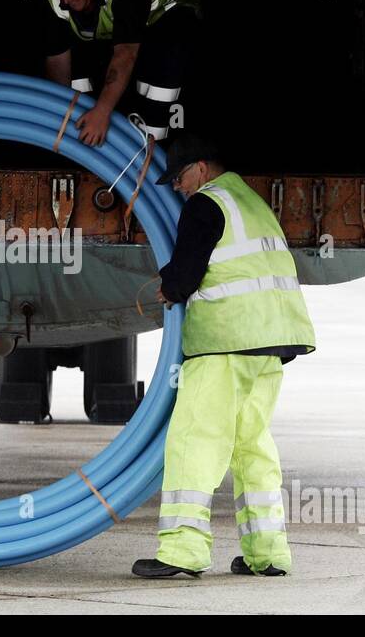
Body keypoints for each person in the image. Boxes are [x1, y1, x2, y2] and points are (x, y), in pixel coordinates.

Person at [131, 134, 316, 578]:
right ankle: (267, 552)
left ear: (200, 168)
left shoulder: (206, 203)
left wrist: (169, 287)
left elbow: (187, 272)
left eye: (178, 178)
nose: (177, 188)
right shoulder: (250, 202)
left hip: (226, 340)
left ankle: (183, 552)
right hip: (272, 341)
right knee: (251, 444)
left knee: (196, 437)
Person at [41, 0, 200, 145]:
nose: (64, 0)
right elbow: (57, 60)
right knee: (81, 83)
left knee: (153, 90)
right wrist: (61, 115)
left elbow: (125, 54)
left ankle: (152, 154)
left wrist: (102, 111)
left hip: (168, 16)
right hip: (114, 26)